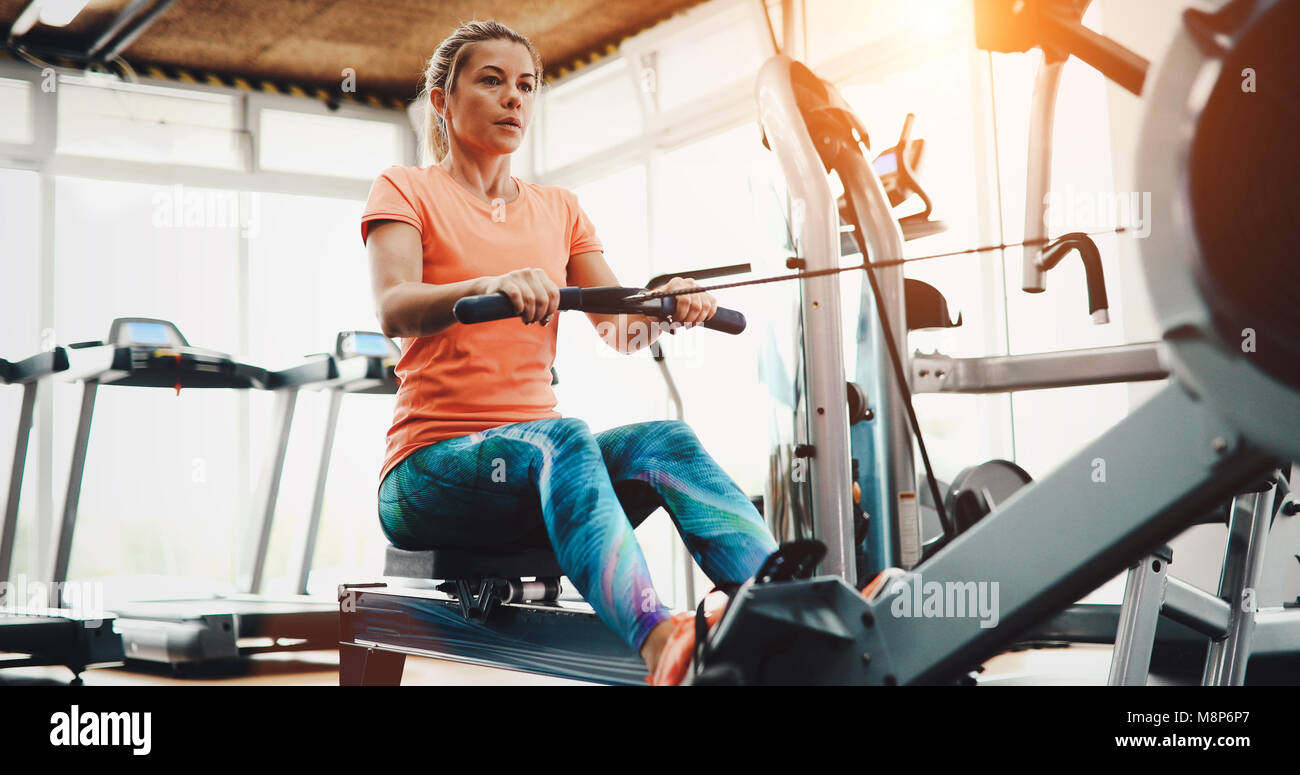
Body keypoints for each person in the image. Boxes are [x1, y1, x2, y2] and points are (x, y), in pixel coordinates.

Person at [361, 19, 778, 685]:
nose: (514, 98)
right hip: (428, 472)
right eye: (492, 81)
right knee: (559, 438)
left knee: (665, 440)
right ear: (442, 99)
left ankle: (781, 608)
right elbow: (394, 307)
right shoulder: (407, 188)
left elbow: (620, 326)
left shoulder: (559, 209)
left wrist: (665, 304)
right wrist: (488, 285)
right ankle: (659, 641)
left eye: (526, 85)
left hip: (537, 469)